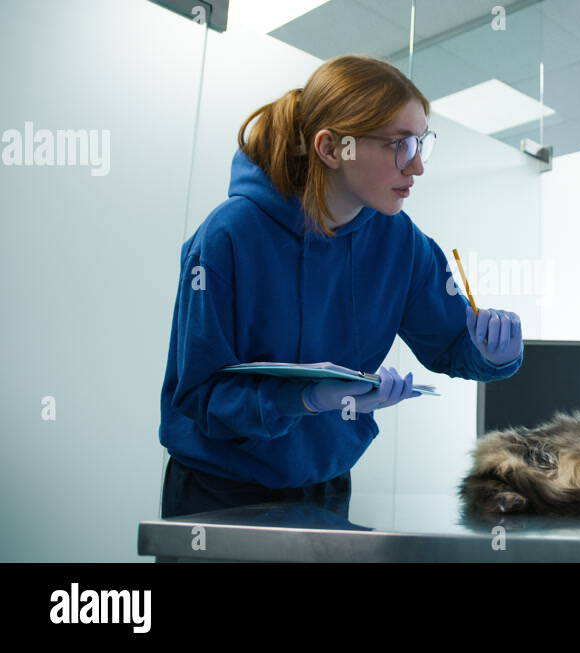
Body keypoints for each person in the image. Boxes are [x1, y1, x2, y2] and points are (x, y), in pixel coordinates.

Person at [159, 55, 523, 519]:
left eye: (422, 144)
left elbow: (453, 345)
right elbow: (199, 399)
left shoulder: (400, 241)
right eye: (400, 145)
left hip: (327, 486)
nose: (417, 168)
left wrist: (494, 354)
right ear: (332, 148)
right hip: (218, 492)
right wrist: (305, 398)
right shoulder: (230, 236)